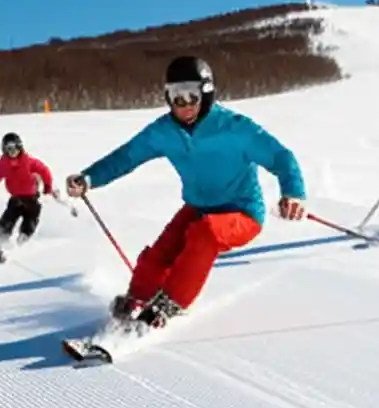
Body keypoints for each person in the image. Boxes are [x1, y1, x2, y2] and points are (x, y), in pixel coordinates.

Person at [65, 55, 307, 329]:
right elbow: (126, 157)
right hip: (197, 207)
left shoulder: (235, 128)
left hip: (242, 214)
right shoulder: (164, 131)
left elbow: (281, 157)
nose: (183, 105)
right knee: (160, 254)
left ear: (207, 92)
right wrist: (89, 178)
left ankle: (170, 303)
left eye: (191, 96)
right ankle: (138, 299)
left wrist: (293, 191)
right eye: (175, 97)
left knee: (204, 233)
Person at [0, 132, 57, 261]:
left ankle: (21, 244)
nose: (12, 151)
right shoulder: (4, 164)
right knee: (7, 221)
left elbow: (44, 171)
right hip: (16, 199)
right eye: (8, 149)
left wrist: (48, 185)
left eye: (15, 148)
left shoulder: (29, 161)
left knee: (30, 222)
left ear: (20, 147)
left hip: (31, 199)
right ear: (4, 149)